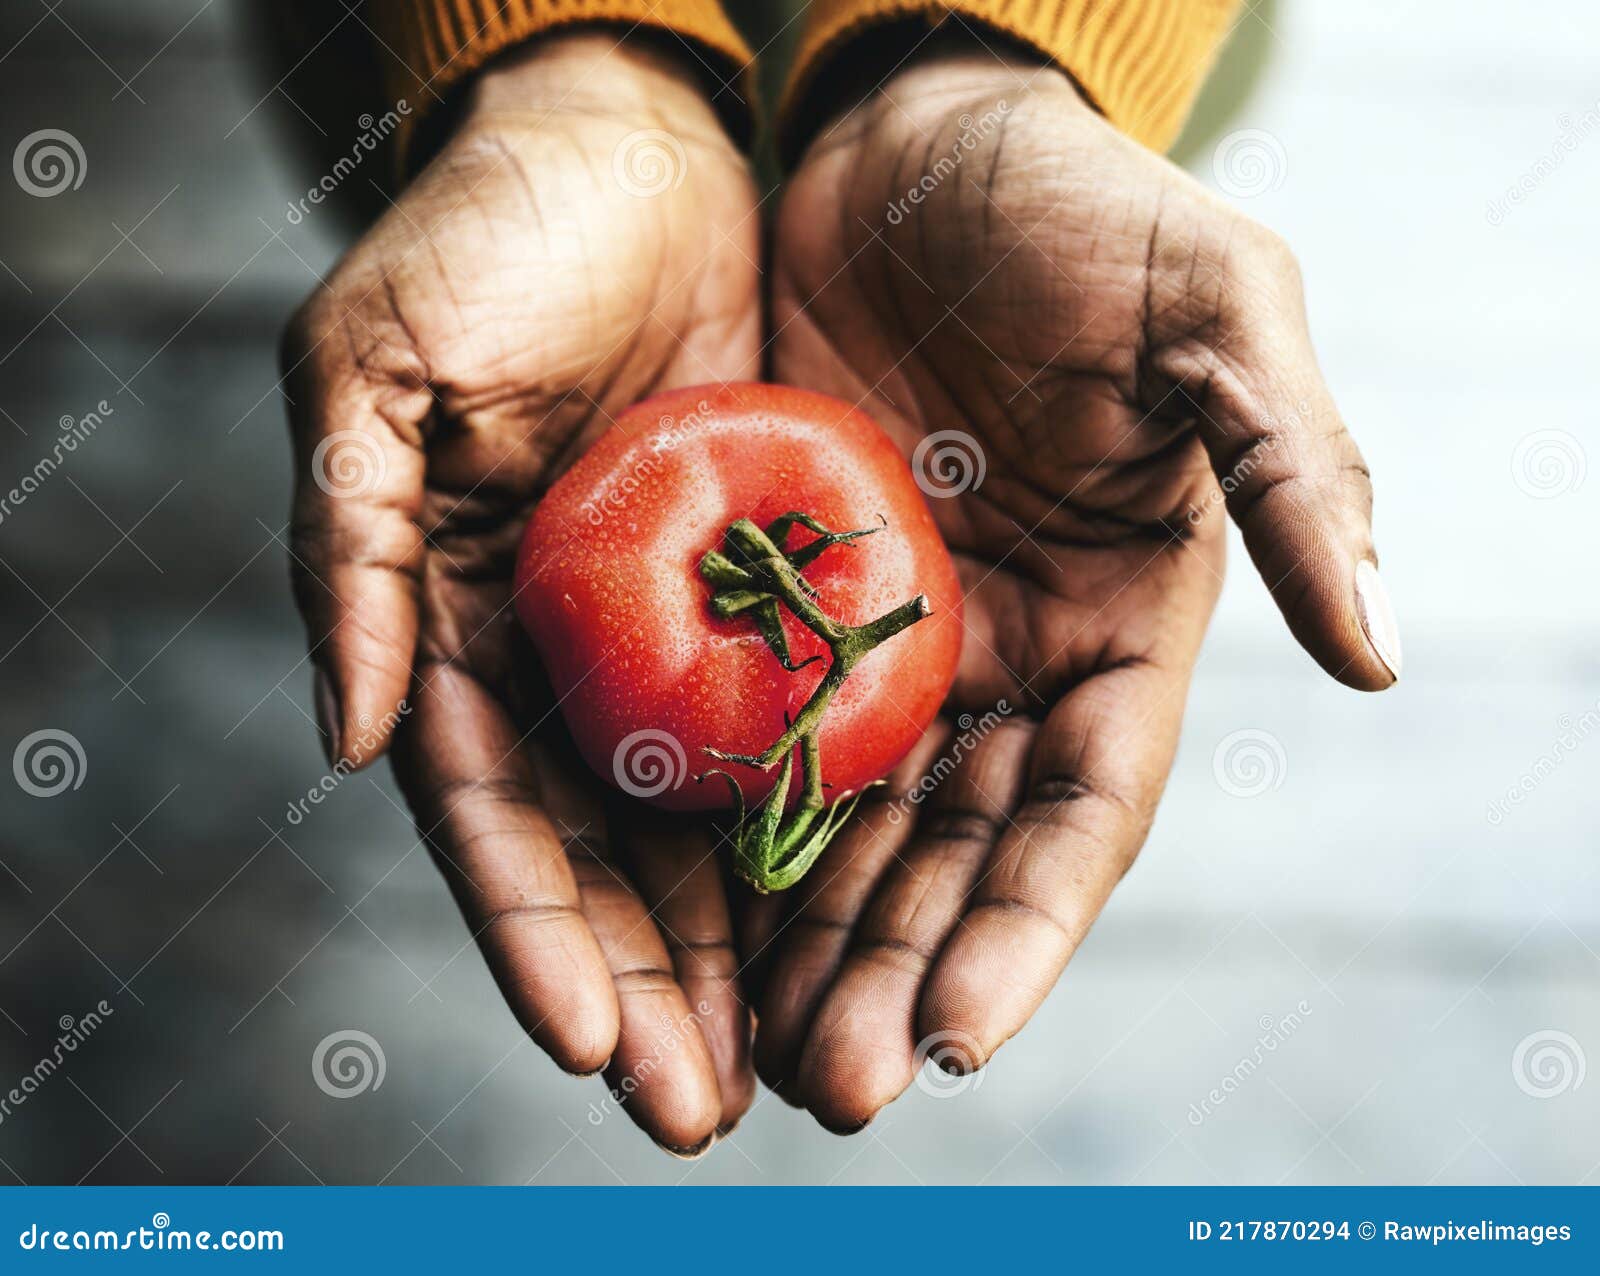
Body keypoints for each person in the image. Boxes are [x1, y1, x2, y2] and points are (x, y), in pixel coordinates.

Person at [279, 0, 1401, 1157]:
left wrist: (984, 61)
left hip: (1044, 113)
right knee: (475, 305)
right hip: (510, 179)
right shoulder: (827, 644)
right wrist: (560, 66)